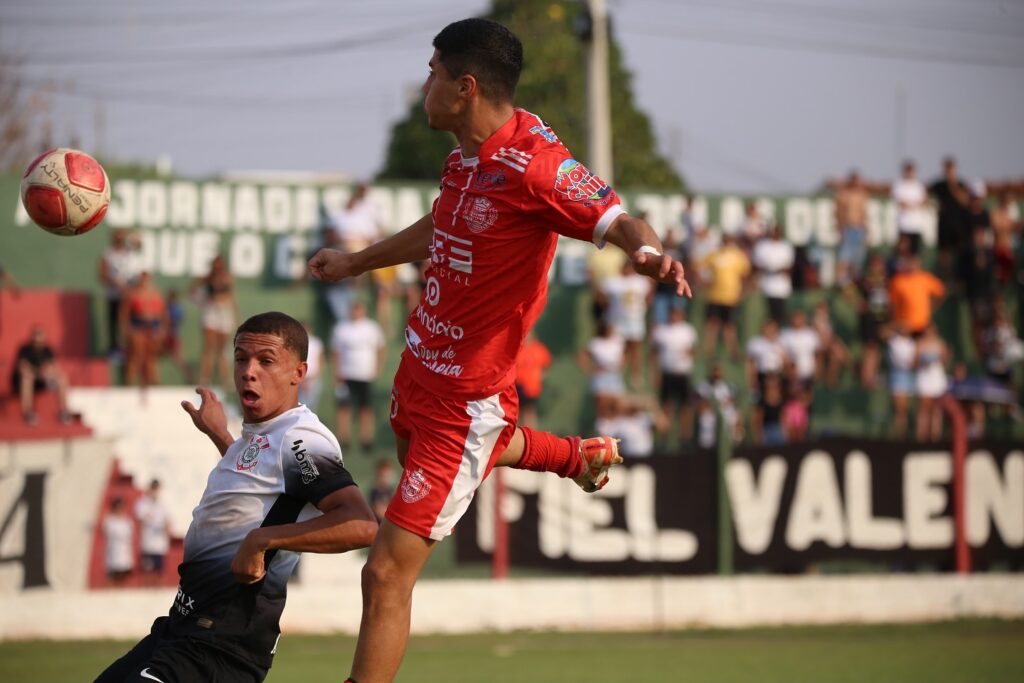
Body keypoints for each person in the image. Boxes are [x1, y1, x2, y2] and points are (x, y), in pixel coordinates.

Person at [306, 19, 690, 683]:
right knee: (467, 455)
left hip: (465, 400)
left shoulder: (535, 163)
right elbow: (440, 223)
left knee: (385, 573)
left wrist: (647, 251)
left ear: (465, 87)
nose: (422, 86)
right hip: (419, 368)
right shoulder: (463, 159)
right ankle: (577, 456)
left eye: (431, 74)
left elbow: (617, 218)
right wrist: (357, 262)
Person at [95, 311, 377, 683]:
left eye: (266, 360)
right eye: (241, 358)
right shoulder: (264, 435)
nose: (248, 370)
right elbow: (263, 488)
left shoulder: (301, 440)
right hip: (180, 629)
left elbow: (361, 525)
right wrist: (221, 437)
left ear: (299, 373)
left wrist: (262, 541)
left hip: (222, 645)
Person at [330, 302, 386, 453]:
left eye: (358, 309)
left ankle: (366, 439)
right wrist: (337, 372)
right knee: (344, 407)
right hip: (346, 374)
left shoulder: (372, 328)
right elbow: (336, 352)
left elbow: (381, 348)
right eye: (353, 310)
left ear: (364, 311)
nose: (356, 313)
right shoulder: (342, 328)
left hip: (365, 375)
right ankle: (344, 439)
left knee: (365, 408)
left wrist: (378, 367)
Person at [596, 259, 653, 388]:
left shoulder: (640, 281)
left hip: (635, 320)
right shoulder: (614, 281)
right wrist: (607, 306)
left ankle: (635, 374)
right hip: (618, 321)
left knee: (635, 349)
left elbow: (650, 292)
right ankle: (618, 373)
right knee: (618, 349)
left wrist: (645, 305)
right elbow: (600, 294)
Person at [649, 306, 698, 445]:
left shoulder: (687, 330)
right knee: (667, 406)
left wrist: (687, 353)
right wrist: (655, 374)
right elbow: (654, 353)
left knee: (685, 407)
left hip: (682, 373)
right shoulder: (661, 331)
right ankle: (665, 435)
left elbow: (693, 350)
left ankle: (685, 436)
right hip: (667, 373)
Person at [699, 232, 750, 359]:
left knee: (729, 325)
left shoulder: (737, 256)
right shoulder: (715, 255)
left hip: (731, 296)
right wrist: (704, 283)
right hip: (714, 295)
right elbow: (699, 267)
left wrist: (743, 291)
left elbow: (745, 274)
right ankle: (709, 350)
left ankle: (732, 351)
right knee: (712, 324)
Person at [190, 254, 237, 389]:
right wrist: (202, 300)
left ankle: (224, 379)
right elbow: (192, 290)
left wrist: (235, 316)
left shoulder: (227, 278)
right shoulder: (207, 278)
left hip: (224, 313)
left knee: (223, 349)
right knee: (208, 347)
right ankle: (205, 379)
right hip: (211, 312)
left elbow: (231, 297)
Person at [11, 326, 72, 425]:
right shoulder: (25, 350)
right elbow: (23, 369)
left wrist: (49, 372)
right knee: (27, 379)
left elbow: (55, 367)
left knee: (62, 378)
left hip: (41, 381)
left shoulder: (47, 350)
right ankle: (28, 413)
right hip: (22, 383)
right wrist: (39, 373)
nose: (39, 344)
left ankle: (64, 411)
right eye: (36, 341)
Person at [121, 271, 168, 397]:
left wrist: (162, 329)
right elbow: (124, 314)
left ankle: (153, 381)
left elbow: (163, 314)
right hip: (138, 324)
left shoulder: (156, 293)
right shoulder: (133, 293)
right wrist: (127, 329)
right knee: (136, 354)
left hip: (153, 325)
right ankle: (130, 383)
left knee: (151, 355)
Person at [929, 156, 973, 280]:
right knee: (944, 254)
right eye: (947, 169)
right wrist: (934, 207)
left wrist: (954, 188)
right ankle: (945, 278)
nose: (949, 172)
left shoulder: (961, 184)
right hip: (944, 224)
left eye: (951, 169)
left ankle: (958, 278)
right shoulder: (938, 185)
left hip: (958, 225)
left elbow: (965, 201)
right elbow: (927, 197)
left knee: (959, 253)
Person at [98, 228, 139, 360]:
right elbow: (103, 275)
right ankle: (114, 349)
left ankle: (130, 348)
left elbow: (139, 242)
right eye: (117, 237)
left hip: (129, 297)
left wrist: (129, 288)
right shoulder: (108, 254)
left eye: (122, 237)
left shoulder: (130, 253)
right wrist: (116, 284)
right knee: (114, 323)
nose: (120, 239)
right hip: (114, 295)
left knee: (130, 324)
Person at [578, 320, 626, 418]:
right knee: (602, 406)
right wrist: (590, 369)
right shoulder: (596, 343)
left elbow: (623, 357)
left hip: (614, 375)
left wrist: (620, 365)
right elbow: (581, 356)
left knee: (617, 406)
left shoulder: (618, 341)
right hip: (601, 376)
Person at [888, 255, 945, 337]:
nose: (912, 266)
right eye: (910, 263)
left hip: (923, 324)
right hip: (905, 326)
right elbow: (893, 303)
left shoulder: (925, 278)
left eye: (914, 263)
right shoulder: (898, 280)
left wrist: (933, 307)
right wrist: (896, 322)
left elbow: (940, 291)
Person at [751, 222, 794, 324]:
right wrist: (768, 269)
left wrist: (775, 269)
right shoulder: (762, 246)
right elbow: (756, 265)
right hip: (765, 285)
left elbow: (788, 267)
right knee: (767, 315)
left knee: (779, 315)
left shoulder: (786, 247)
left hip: (781, 287)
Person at [914, 322, 949, 442]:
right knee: (923, 408)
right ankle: (921, 437)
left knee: (936, 409)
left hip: (936, 379)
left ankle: (935, 437)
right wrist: (924, 360)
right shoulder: (920, 343)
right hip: (924, 378)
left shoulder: (940, 342)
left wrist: (941, 357)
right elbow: (915, 361)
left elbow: (945, 359)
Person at [134, 479, 171, 587]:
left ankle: (157, 596)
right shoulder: (142, 503)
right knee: (147, 572)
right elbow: (138, 519)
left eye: (157, 488)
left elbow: (168, 522)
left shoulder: (163, 505)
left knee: (160, 571)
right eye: (153, 488)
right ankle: (146, 595)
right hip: (147, 544)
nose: (155, 491)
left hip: (160, 545)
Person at [514, 330, 552, 430]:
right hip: (518, 386)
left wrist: (539, 376)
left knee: (529, 412)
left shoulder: (539, 349)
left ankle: (530, 435)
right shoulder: (519, 348)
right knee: (516, 413)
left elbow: (546, 365)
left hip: (532, 387)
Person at [890, 160, 928, 254]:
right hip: (904, 224)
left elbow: (924, 201)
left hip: (916, 225)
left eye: (911, 171)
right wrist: (913, 204)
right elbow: (900, 202)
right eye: (908, 170)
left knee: (914, 252)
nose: (910, 173)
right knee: (903, 251)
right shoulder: (899, 185)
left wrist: (912, 205)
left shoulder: (919, 186)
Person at [103, 497, 135, 587]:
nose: (119, 510)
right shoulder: (109, 521)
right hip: (113, 556)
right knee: (112, 579)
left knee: (123, 578)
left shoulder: (127, 522)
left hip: (124, 556)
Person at [299, 323, 325, 411]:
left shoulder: (316, 342)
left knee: (312, 408)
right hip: (299, 379)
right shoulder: (296, 343)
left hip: (313, 379)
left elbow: (320, 360)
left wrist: (314, 379)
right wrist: (302, 380)